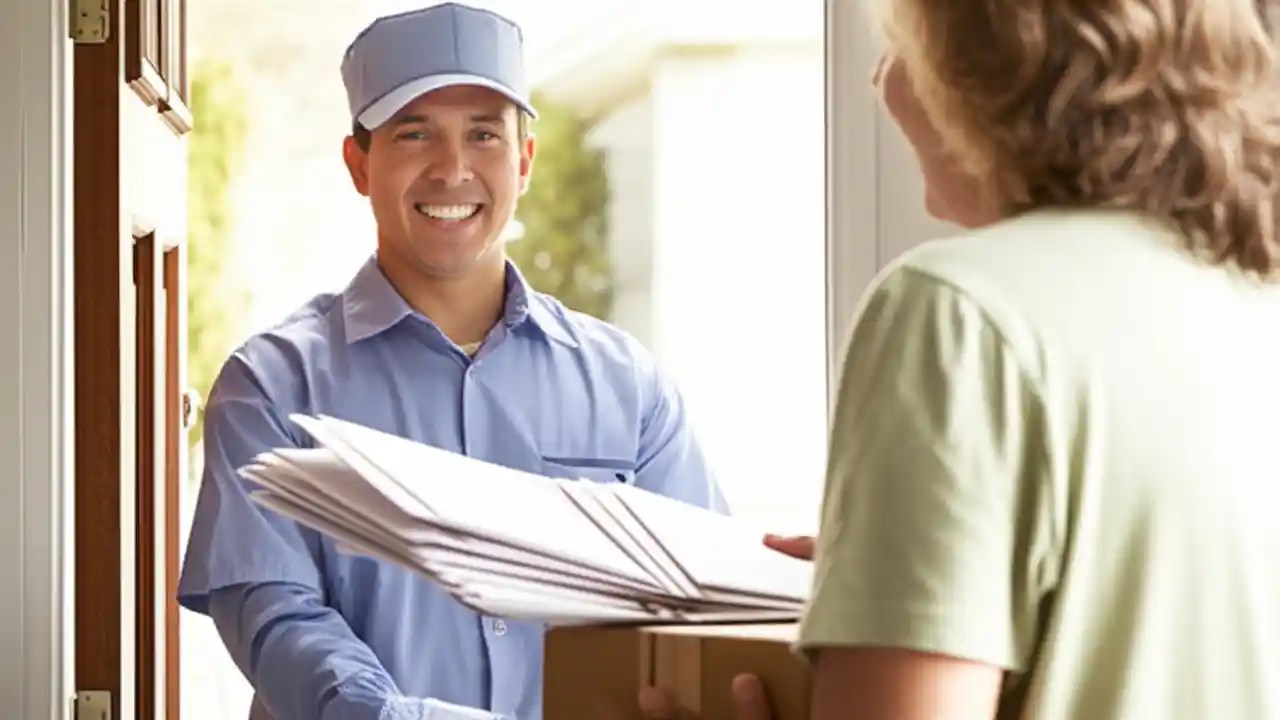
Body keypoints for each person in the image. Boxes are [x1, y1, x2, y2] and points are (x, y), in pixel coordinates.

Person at [644, 0, 1280, 718]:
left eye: (901, 42)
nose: (883, 78)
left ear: (988, 66)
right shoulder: (1253, 305)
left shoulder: (962, 313)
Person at [176, 4, 726, 720]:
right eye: (415, 133)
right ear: (359, 164)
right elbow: (277, 620)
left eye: (484, 134)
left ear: (524, 161)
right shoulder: (272, 388)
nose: (454, 169)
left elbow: (704, 609)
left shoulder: (631, 390)